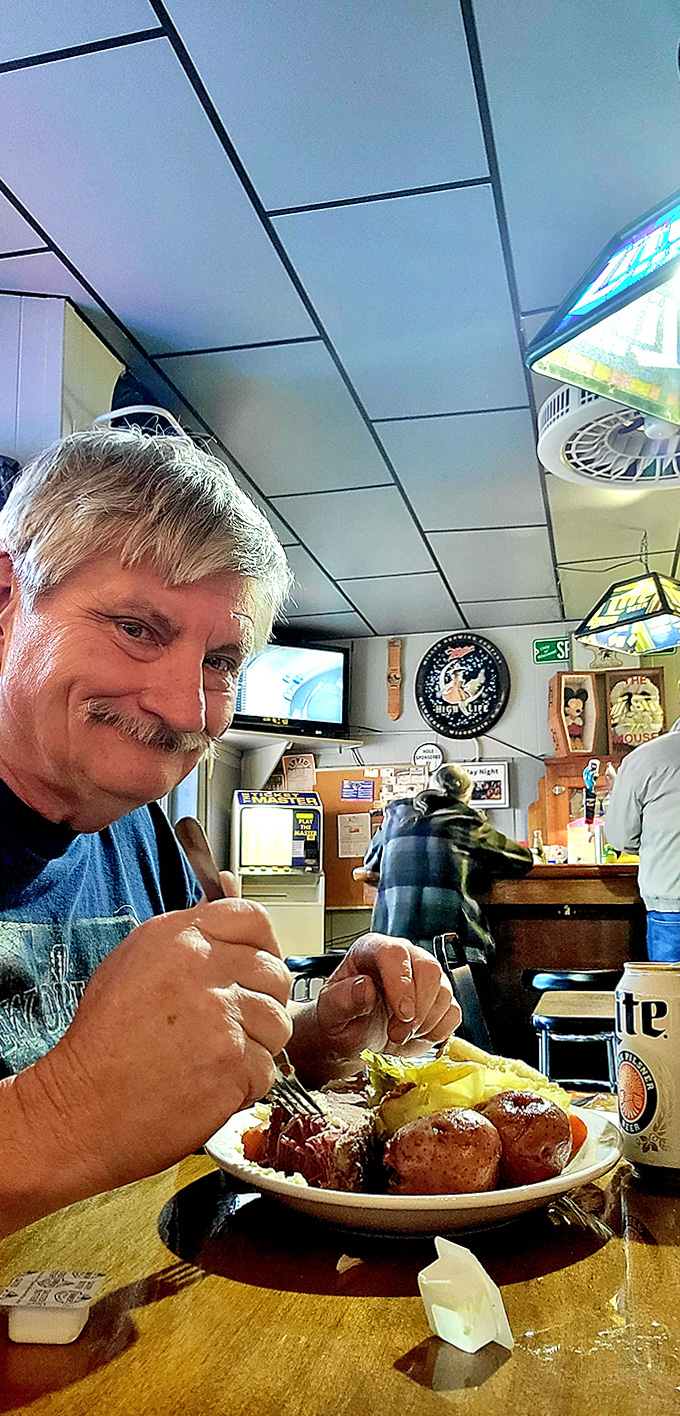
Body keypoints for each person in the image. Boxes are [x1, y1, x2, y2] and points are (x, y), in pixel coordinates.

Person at [0, 427, 459, 1238]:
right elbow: (90, 1108)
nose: (189, 709)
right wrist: (62, 1113)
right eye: (137, 628)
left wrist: (319, 1041)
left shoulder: (144, 831)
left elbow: (173, 1088)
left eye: (220, 661)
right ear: (7, 600)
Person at [362, 763, 533, 965]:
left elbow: (370, 862)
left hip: (392, 947)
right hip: (448, 950)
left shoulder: (395, 817)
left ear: (428, 786)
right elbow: (522, 859)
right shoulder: (466, 820)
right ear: (466, 797)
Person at [604, 717, 680, 961]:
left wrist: (651, 842)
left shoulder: (646, 759)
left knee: (671, 996)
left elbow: (620, 836)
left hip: (672, 904)